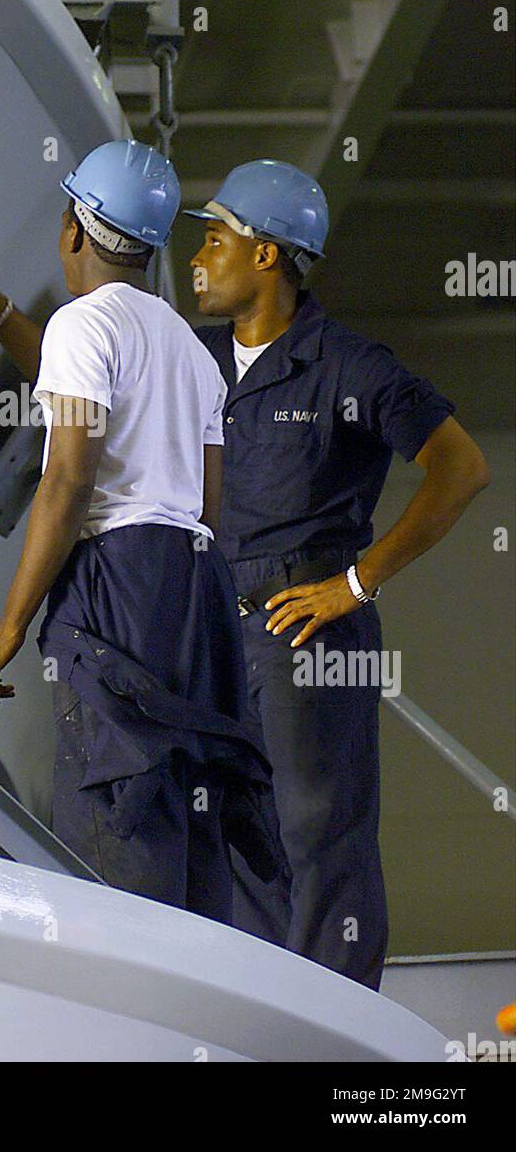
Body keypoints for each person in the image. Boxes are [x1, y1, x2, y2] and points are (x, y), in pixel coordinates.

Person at [0, 140, 281, 923]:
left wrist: (9, 626)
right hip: (196, 586)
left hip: (119, 578)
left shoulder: (80, 327)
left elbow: (68, 478)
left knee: (115, 805)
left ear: (74, 231)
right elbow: (208, 508)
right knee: (191, 808)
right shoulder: (196, 355)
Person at [184, 159, 490, 988]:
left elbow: (460, 468)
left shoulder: (349, 366)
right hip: (220, 625)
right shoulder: (197, 359)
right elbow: (82, 372)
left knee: (320, 835)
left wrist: (357, 583)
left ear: (268, 257)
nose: (196, 259)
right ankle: (268, 1022)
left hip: (306, 626)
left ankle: (339, 1040)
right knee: (240, 829)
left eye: (216, 240)